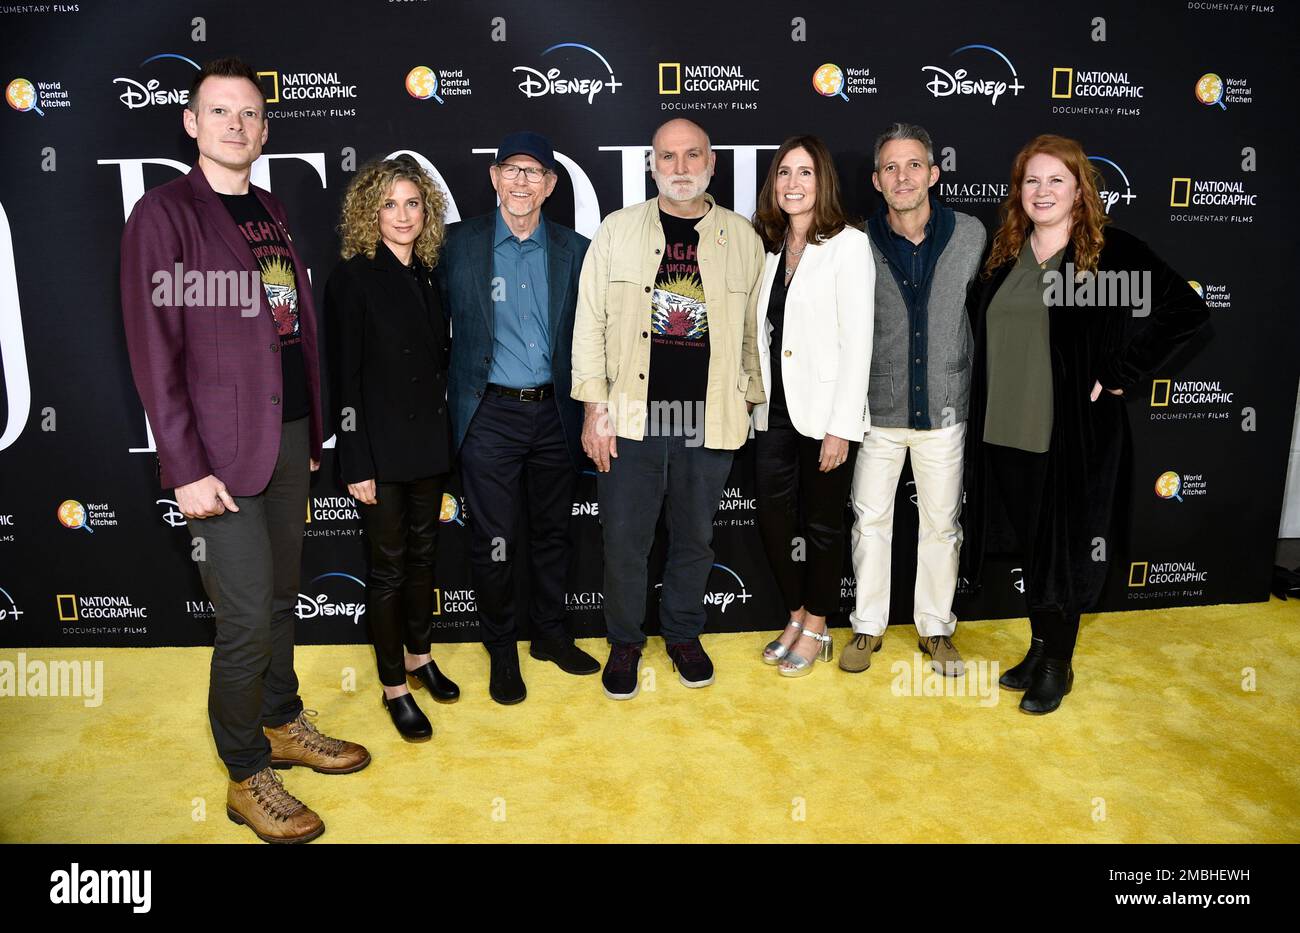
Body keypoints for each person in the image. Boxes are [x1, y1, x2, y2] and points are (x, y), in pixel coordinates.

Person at [120, 57, 368, 844]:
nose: (237, 125)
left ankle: (282, 721)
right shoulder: (165, 215)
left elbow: (287, 331)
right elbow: (155, 349)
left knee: (281, 601)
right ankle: (242, 771)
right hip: (218, 456)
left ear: (265, 128)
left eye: (251, 114)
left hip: (288, 436)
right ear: (191, 124)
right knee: (245, 621)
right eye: (220, 112)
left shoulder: (268, 207)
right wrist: (184, 466)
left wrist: (314, 427)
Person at [964, 133, 1209, 714]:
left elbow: (1187, 311)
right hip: (1005, 430)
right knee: (1032, 549)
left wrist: (1124, 370)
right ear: (1017, 192)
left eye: (1056, 180)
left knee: (1064, 552)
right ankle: (1040, 645)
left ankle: (1057, 664)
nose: (1042, 191)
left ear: (1080, 189)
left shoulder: (1110, 253)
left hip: (1071, 435)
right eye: (1031, 181)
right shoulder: (1005, 255)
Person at [572, 117, 766, 700]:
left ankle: (683, 634)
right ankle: (626, 641)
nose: (680, 168)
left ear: (711, 163)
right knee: (625, 540)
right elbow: (590, 323)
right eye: (668, 157)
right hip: (632, 418)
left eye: (692, 156)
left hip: (708, 417)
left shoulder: (744, 238)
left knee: (694, 539)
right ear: (652, 164)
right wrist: (592, 410)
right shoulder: (617, 231)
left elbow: (754, 335)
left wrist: (752, 403)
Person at [439, 131, 597, 705]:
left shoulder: (576, 251)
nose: (522, 181)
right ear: (494, 177)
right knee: (495, 539)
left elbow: (593, 336)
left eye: (534, 172)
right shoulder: (457, 246)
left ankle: (550, 635)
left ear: (551, 185)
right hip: (489, 415)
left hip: (555, 412)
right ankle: (502, 649)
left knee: (555, 533)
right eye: (512, 169)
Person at [844, 123, 986, 678]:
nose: (902, 177)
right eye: (890, 168)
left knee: (942, 525)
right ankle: (867, 627)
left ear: (933, 172)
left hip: (946, 408)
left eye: (912, 166)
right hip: (878, 409)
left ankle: (935, 628)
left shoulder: (972, 234)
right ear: (876, 180)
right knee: (870, 521)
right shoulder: (855, 241)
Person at [326, 156, 460, 741]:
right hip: (378, 452)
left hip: (428, 445)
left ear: (426, 210)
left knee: (424, 559)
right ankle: (393, 688)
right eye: (389, 204)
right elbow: (345, 379)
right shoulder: (352, 278)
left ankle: (418, 655)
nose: (403, 215)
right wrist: (355, 459)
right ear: (369, 212)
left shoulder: (429, 272)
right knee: (386, 571)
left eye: (413, 203)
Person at [750, 135, 873, 677]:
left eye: (805, 173)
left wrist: (841, 426)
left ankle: (819, 624)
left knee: (823, 524)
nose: (793, 183)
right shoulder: (769, 247)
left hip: (824, 413)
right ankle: (795, 614)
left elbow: (859, 341)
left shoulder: (848, 245)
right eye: (784, 173)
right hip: (773, 409)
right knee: (774, 518)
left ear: (823, 182)